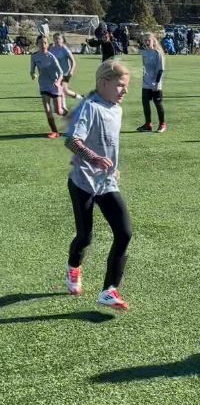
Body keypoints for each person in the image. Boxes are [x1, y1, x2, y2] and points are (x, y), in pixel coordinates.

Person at [63, 59, 133, 311]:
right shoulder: (89, 107)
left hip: (107, 183)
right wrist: (93, 158)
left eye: (126, 86)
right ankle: (73, 268)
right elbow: (71, 140)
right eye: (120, 85)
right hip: (83, 181)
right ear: (104, 83)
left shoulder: (117, 109)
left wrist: (113, 167)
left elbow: (109, 143)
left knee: (124, 232)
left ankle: (109, 290)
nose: (124, 91)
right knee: (85, 236)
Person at [30, 35, 65, 138]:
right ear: (37, 44)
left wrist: (58, 82)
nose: (43, 45)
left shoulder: (51, 57)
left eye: (45, 43)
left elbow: (61, 72)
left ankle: (74, 118)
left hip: (55, 84)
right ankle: (55, 131)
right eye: (41, 43)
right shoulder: (34, 56)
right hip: (43, 84)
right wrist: (33, 74)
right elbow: (32, 71)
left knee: (58, 111)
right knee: (47, 109)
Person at [135, 33, 167, 133]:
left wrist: (156, 82)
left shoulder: (158, 53)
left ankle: (162, 124)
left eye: (148, 40)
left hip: (156, 82)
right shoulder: (143, 53)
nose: (147, 42)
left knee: (158, 103)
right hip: (146, 82)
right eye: (145, 40)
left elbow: (161, 69)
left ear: (153, 41)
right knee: (145, 103)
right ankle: (148, 124)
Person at [50, 33, 84, 107]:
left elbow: (73, 61)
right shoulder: (52, 49)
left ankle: (63, 106)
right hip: (55, 74)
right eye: (55, 38)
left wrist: (71, 71)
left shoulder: (64, 49)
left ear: (62, 40)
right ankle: (80, 98)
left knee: (64, 90)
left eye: (59, 38)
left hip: (65, 73)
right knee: (63, 90)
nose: (57, 40)